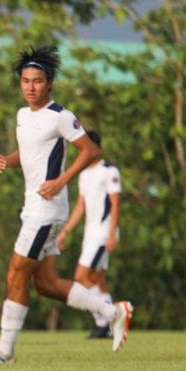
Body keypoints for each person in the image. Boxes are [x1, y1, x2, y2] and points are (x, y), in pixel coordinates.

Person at [0, 45, 133, 365]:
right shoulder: (21, 116)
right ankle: (113, 311)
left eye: (38, 80)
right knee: (45, 284)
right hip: (32, 208)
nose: (31, 87)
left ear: (50, 82)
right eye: (26, 80)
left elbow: (90, 151)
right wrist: (6, 160)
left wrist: (61, 181)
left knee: (15, 273)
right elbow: (29, 157)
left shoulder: (61, 116)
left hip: (47, 210)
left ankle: (4, 351)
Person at [56, 130, 122, 340]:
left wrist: (112, 234)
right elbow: (80, 206)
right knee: (97, 282)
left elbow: (116, 203)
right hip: (90, 234)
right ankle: (110, 324)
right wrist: (66, 230)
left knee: (80, 277)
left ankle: (106, 321)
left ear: (98, 149)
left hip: (103, 233)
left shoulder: (109, 171)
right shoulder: (84, 174)